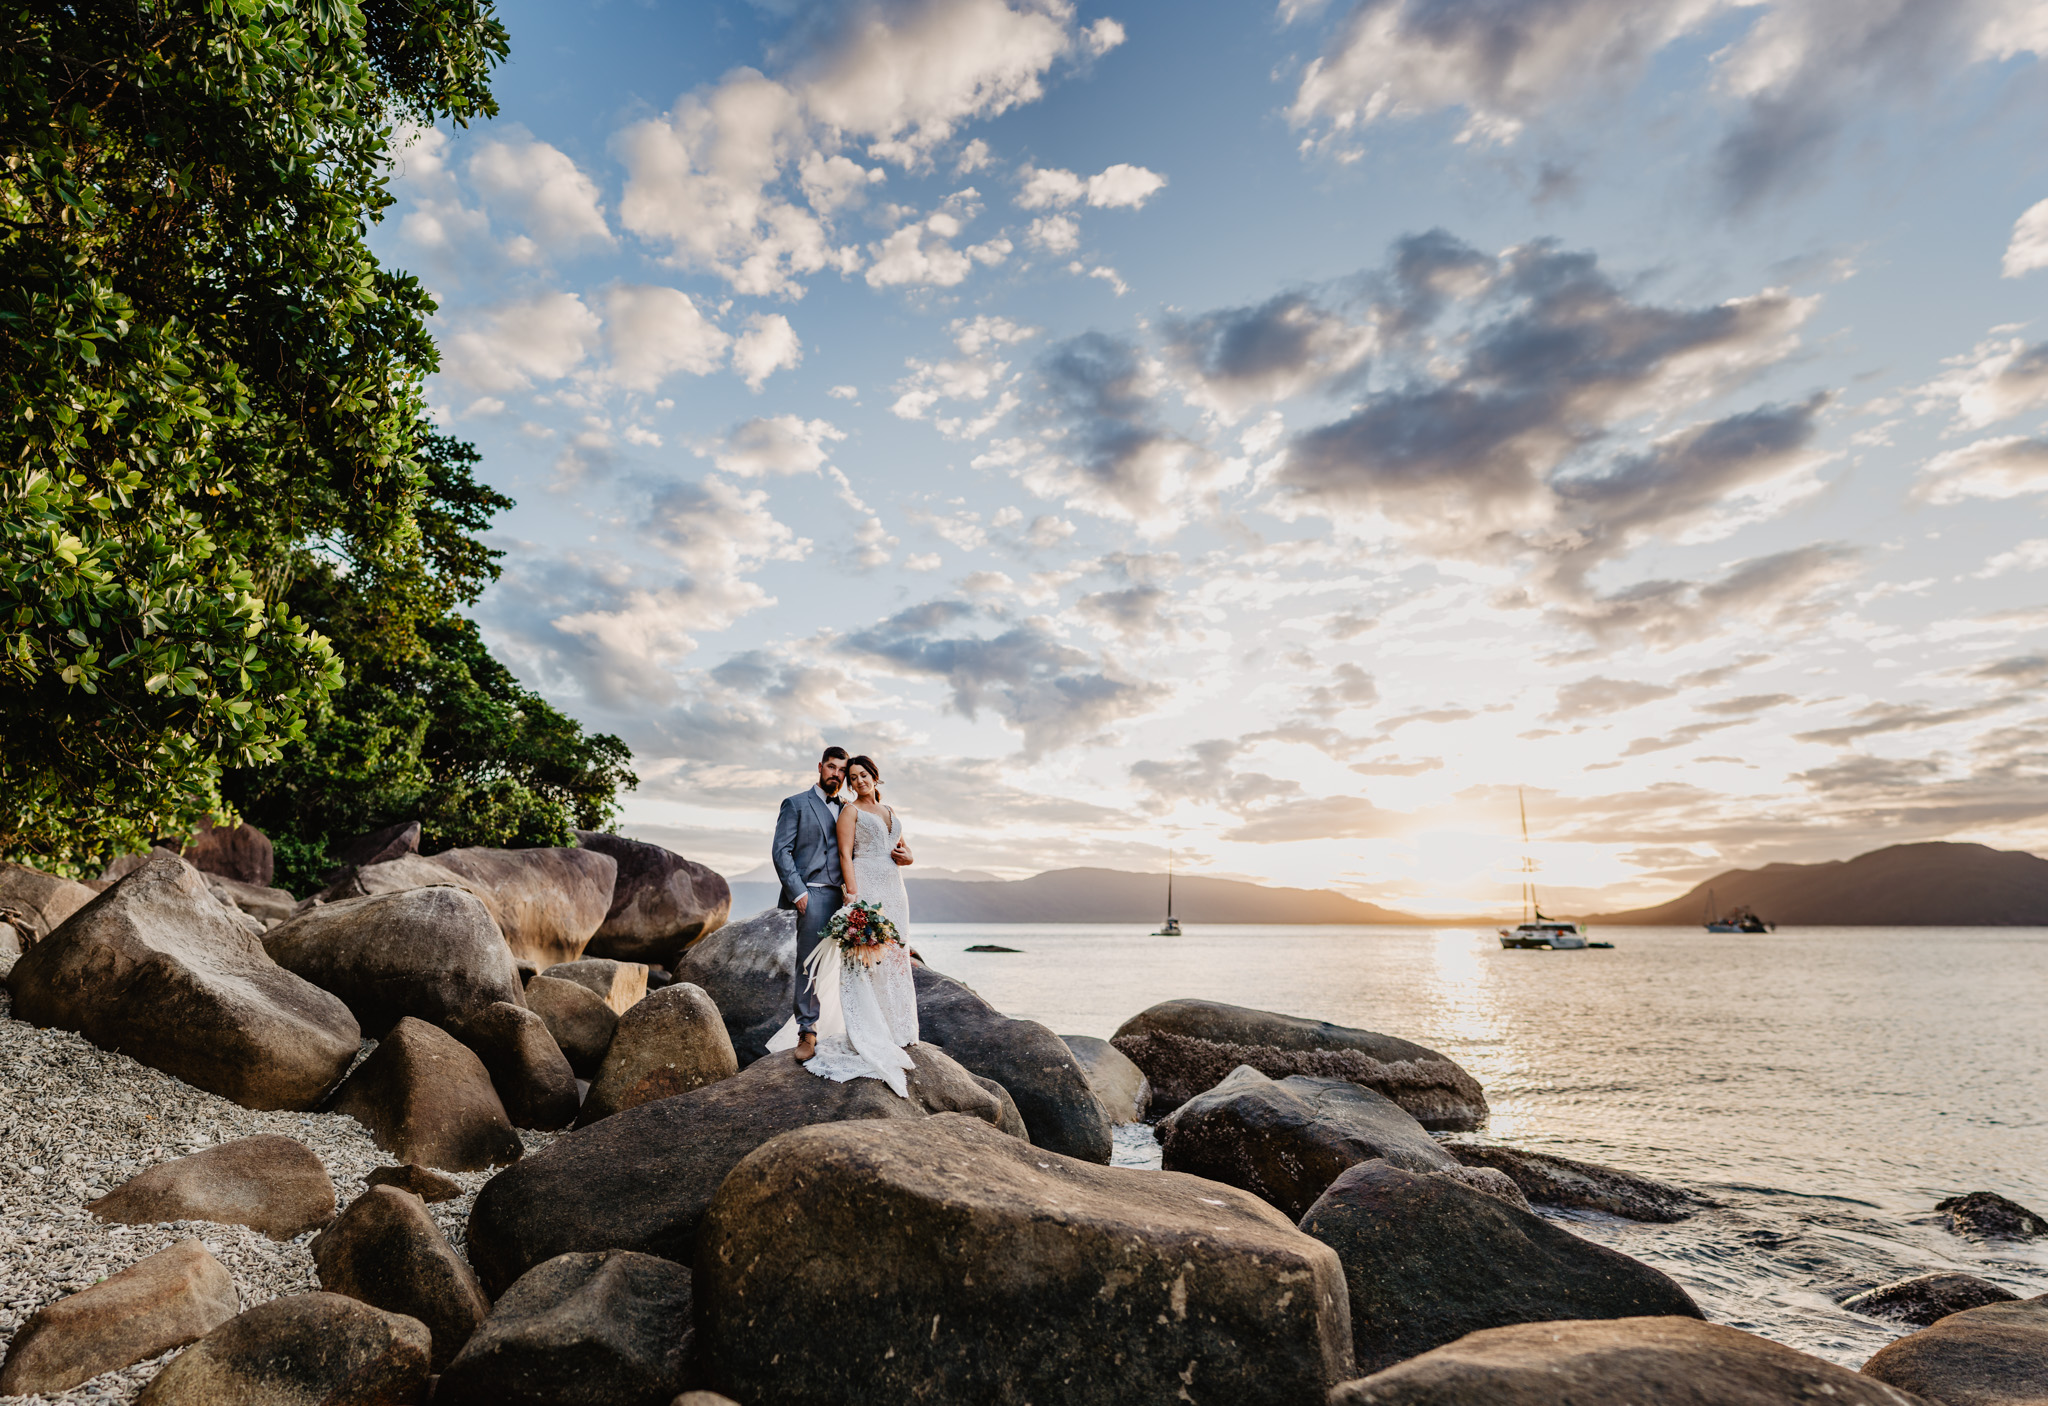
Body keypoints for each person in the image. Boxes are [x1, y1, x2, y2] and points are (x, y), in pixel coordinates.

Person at [766, 752, 920, 1095]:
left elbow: (897, 847)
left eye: (846, 771)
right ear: (820, 768)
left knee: (873, 958)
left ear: (871, 777)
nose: (841, 776)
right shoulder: (797, 804)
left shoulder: (856, 805)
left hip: (874, 890)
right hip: (820, 893)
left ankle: (885, 1025)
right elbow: (782, 852)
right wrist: (800, 894)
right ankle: (808, 1031)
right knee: (811, 962)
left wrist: (909, 857)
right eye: (834, 769)